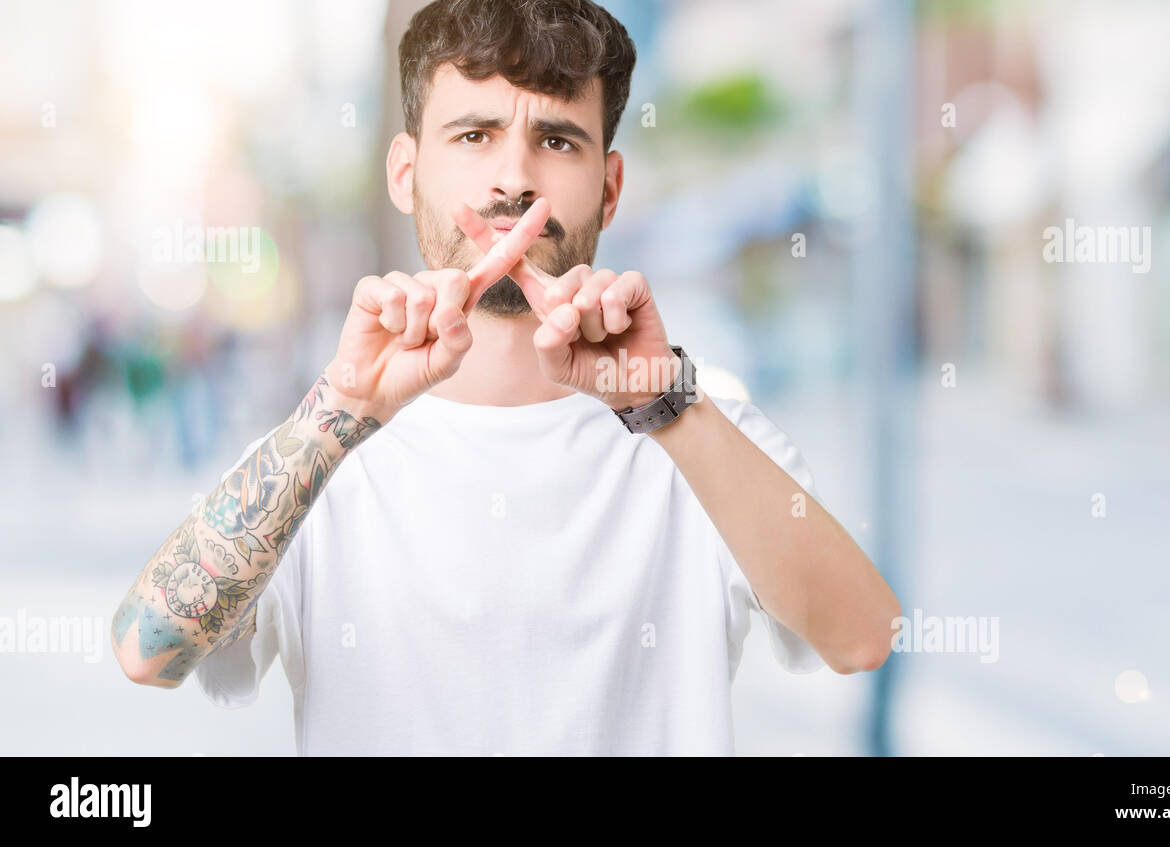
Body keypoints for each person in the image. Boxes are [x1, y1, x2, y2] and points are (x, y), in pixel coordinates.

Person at [110, 0, 900, 755]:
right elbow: (149, 648)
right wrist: (339, 413)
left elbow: (864, 637)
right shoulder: (318, 456)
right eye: (474, 135)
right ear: (404, 173)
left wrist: (663, 403)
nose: (515, 180)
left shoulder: (700, 432)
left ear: (611, 187)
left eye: (557, 141)